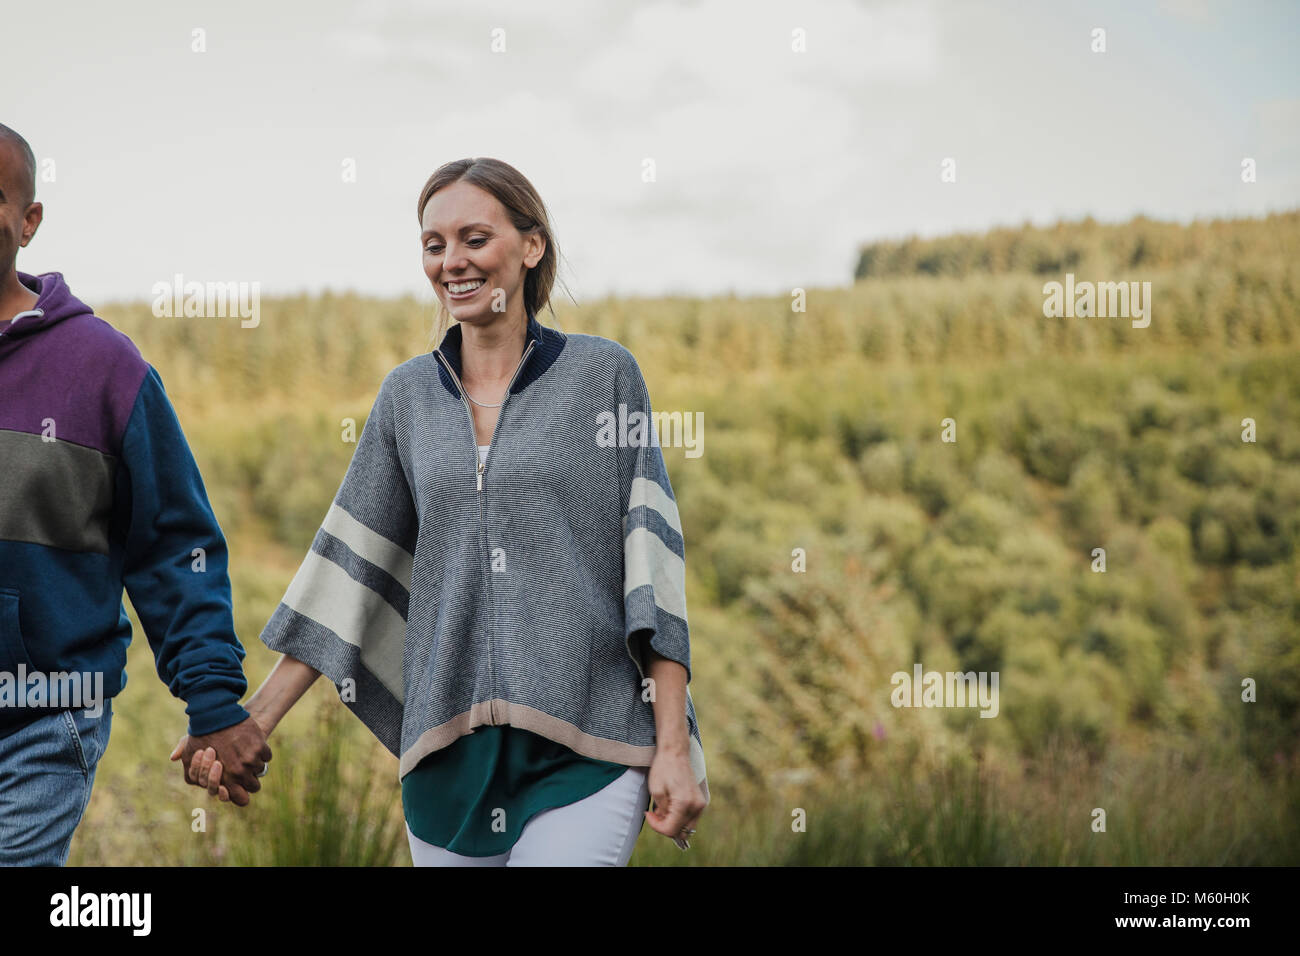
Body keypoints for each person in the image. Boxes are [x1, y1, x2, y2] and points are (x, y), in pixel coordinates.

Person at [179, 156, 709, 865]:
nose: (452, 261)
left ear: (531, 245)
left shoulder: (602, 376)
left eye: (474, 238)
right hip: (446, 766)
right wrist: (249, 723)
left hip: (588, 750)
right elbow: (348, 573)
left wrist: (671, 746)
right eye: (435, 245)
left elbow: (653, 566)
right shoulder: (406, 398)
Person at [0, 123, 272, 866]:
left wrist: (213, 699)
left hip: (37, 718)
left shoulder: (103, 369)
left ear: (30, 221)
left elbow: (173, 545)